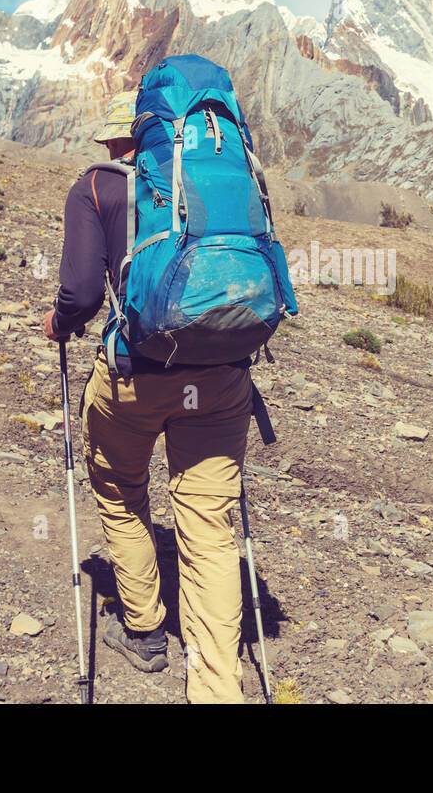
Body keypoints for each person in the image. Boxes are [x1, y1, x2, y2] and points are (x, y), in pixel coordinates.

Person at [42, 90, 255, 704]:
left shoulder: (97, 187)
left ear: (120, 138)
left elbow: (81, 297)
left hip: (137, 376)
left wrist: (60, 323)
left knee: (120, 490)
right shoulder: (220, 180)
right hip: (220, 378)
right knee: (209, 528)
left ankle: (144, 630)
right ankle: (217, 690)